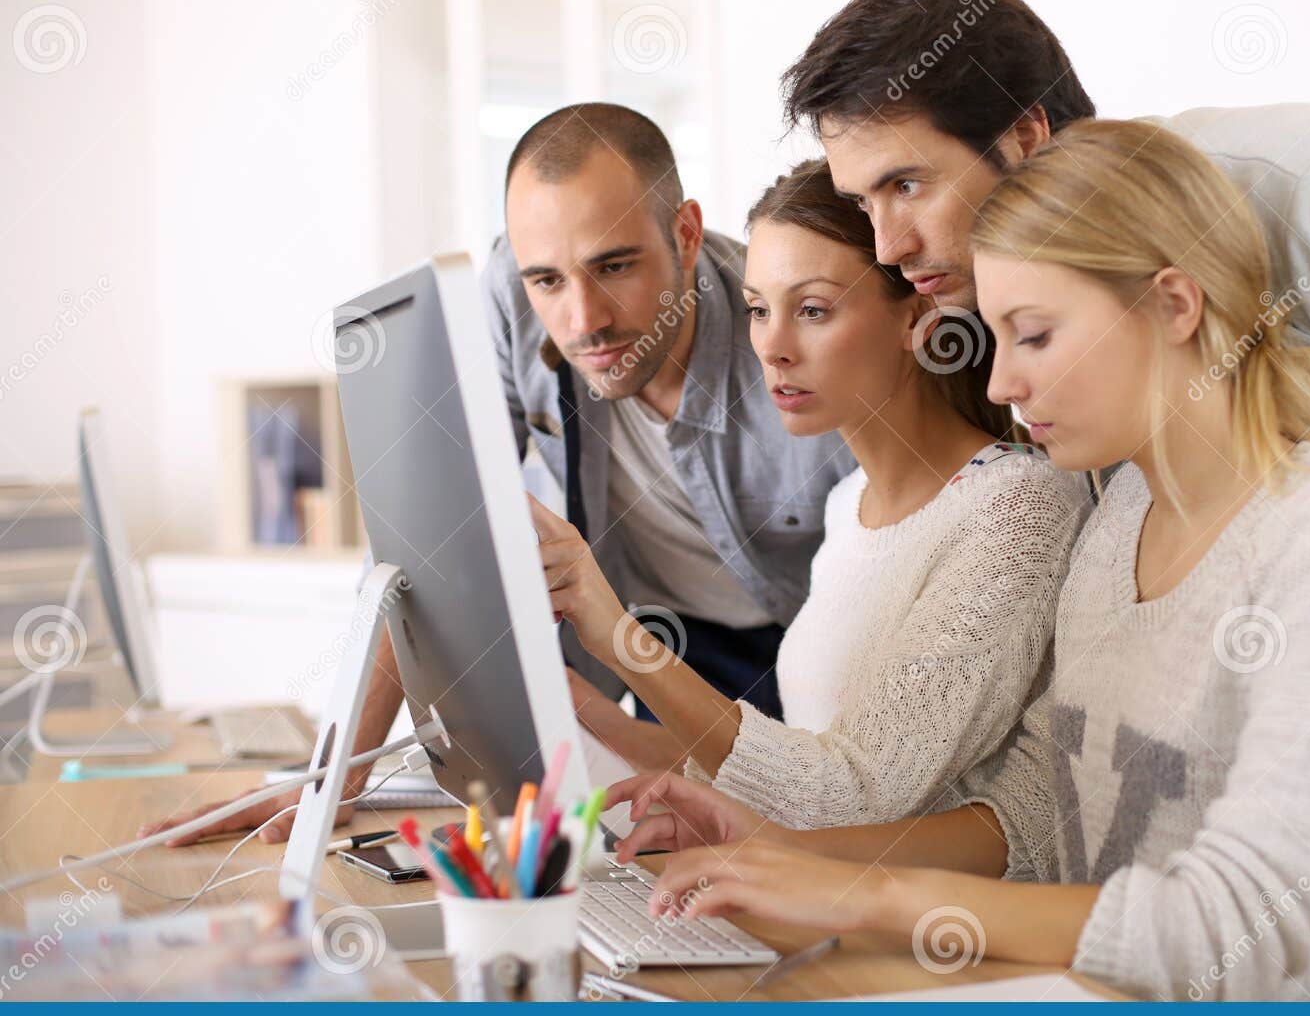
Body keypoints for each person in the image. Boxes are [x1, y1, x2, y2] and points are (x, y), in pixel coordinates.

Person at [779, 0, 1310, 1000]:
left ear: (1025, 137)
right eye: (862, 202)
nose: (887, 245)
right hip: (1300, 693)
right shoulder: (1015, 329)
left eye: (906, 185)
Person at [605, 119, 1310, 1001]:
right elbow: (1037, 814)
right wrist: (783, 850)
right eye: (996, 338)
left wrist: (865, 892)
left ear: (1174, 306)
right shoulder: (1119, 520)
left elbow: (1237, 923)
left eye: (1034, 335)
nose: (1000, 383)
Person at [138, 104, 854, 845]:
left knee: (804, 838)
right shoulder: (511, 295)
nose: (583, 319)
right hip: (659, 646)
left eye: (614, 266)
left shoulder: (793, 337)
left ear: (686, 233)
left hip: (812, 646)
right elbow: (425, 530)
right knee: (666, 850)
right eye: (547, 279)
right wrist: (336, 778)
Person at [538, 159, 1087, 825]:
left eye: (813, 310)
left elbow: (852, 794)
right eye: (758, 309)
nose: (772, 347)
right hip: (835, 889)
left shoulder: (1016, 511)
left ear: (917, 316)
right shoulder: (848, 505)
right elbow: (790, 771)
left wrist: (617, 634)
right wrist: (576, 702)